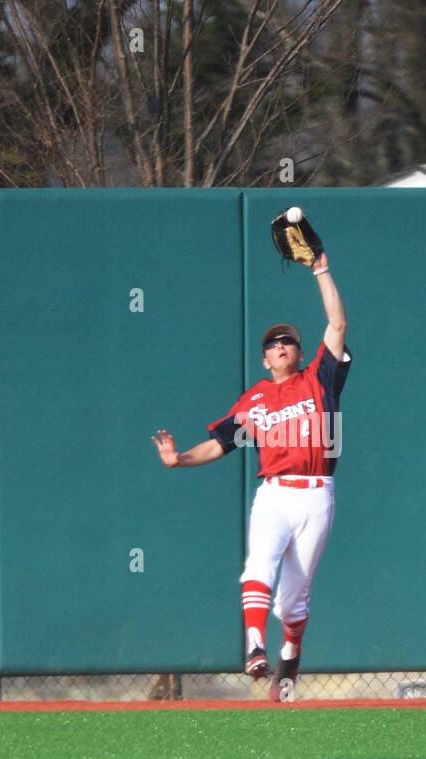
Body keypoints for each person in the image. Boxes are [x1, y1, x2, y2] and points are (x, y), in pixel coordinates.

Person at [150, 251, 351, 702]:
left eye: (288, 342)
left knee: (291, 603)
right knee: (257, 566)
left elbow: (337, 325)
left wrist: (320, 269)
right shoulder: (254, 400)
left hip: (317, 494)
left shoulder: (320, 380)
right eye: (273, 344)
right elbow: (221, 443)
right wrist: (178, 458)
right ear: (265, 359)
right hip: (275, 494)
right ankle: (256, 646)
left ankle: (291, 650)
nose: (280, 346)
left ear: (300, 353)